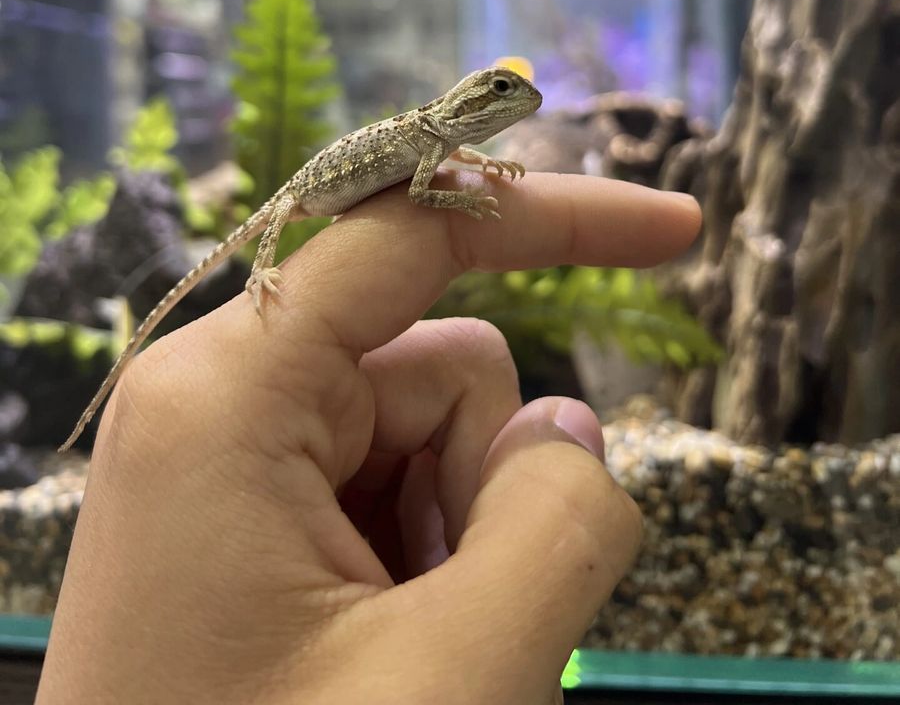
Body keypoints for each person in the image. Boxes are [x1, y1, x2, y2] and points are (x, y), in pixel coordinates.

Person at [37, 172, 701, 704]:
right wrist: (263, 269)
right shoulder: (425, 144)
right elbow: (419, 194)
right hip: (308, 192)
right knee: (272, 223)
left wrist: (478, 171)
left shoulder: (443, 142)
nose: (512, 101)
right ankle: (251, 273)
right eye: (498, 89)